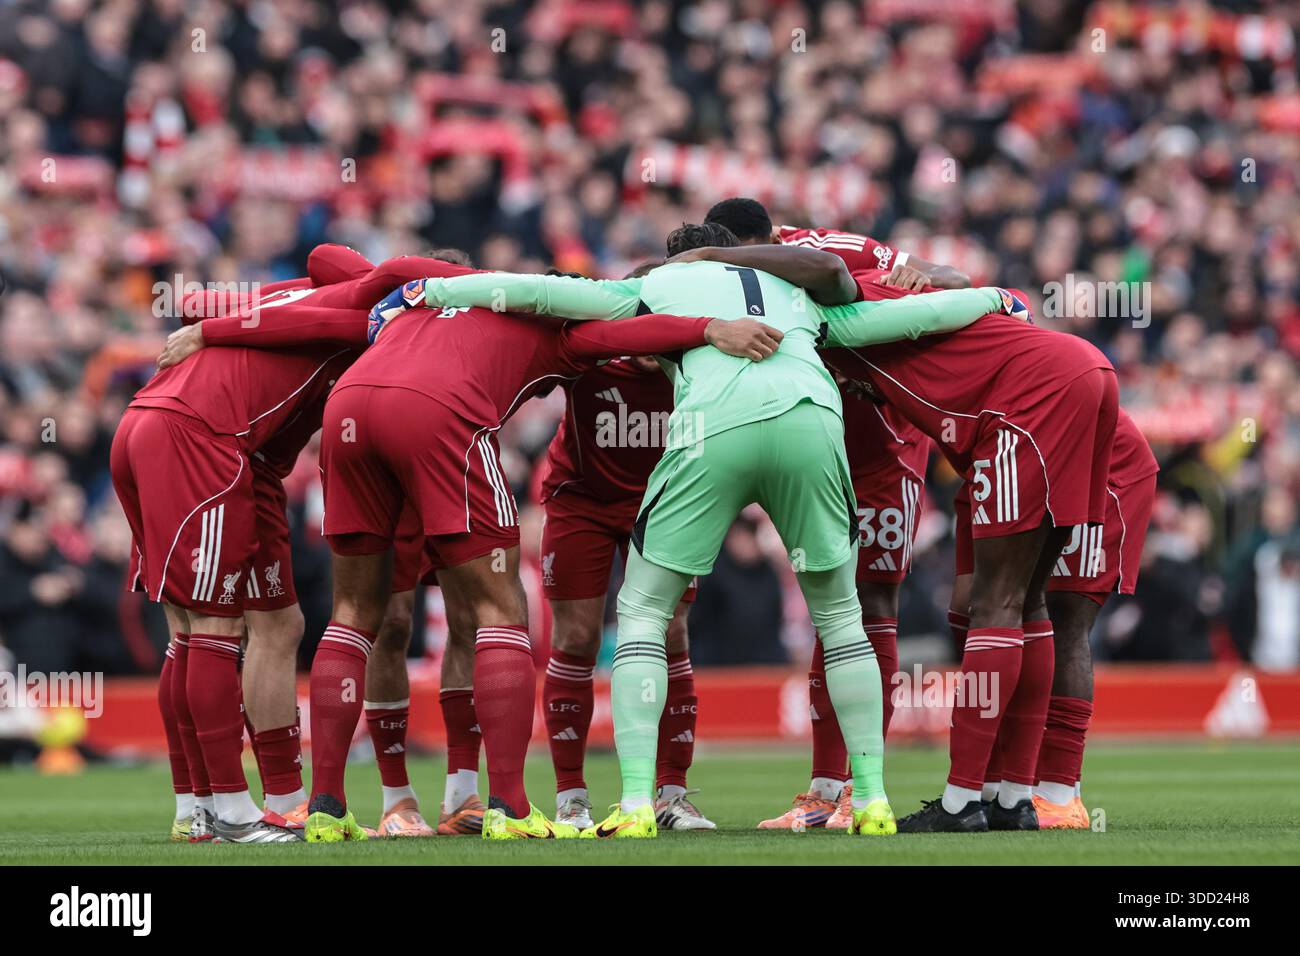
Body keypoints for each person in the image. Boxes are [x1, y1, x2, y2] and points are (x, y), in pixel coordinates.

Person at [409, 221, 1016, 838]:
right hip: (810, 422)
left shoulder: (659, 287)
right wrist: (994, 298)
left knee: (643, 614)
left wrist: (432, 290)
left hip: (713, 430)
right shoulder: (792, 291)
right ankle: (871, 801)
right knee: (841, 617)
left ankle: (639, 803)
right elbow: (903, 318)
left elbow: (541, 294)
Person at [306, 253, 783, 841]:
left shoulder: (435, 300)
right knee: (501, 612)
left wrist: (216, 318)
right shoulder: (560, 334)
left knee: (353, 614)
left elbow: (332, 275)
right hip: (442, 416)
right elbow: (633, 328)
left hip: (348, 406)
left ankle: (325, 808)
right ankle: (510, 807)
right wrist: (711, 327)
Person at [950, 408, 1157, 828]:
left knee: (1061, 616)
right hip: (999, 465)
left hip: (1090, 467)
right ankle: (994, 782)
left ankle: (1059, 791)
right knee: (972, 608)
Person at [537, 346, 713, 831]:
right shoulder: (589, 350)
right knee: (576, 638)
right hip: (580, 499)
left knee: (672, 631)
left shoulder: (700, 358)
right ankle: (571, 797)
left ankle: (672, 794)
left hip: (665, 499)